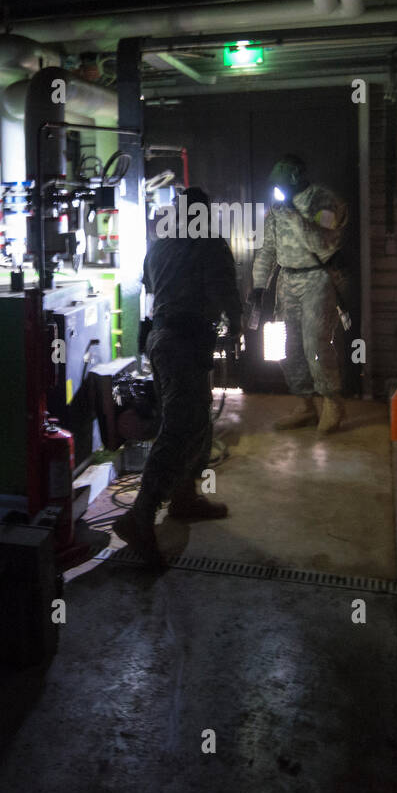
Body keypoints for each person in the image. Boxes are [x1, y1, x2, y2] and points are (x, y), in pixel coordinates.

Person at [113, 187, 242, 565]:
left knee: (198, 420)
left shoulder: (160, 246)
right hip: (185, 342)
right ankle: (141, 515)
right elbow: (226, 295)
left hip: (162, 339)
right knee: (180, 425)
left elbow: (151, 287)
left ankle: (184, 496)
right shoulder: (211, 246)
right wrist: (235, 328)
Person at [249, 154, 348, 434]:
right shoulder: (277, 208)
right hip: (287, 280)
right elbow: (267, 249)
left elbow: (322, 244)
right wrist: (259, 286)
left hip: (317, 277)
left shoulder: (323, 201)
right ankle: (305, 403)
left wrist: (293, 214)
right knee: (286, 345)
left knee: (315, 343)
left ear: (295, 176)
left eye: (280, 182)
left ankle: (332, 401)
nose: (277, 189)